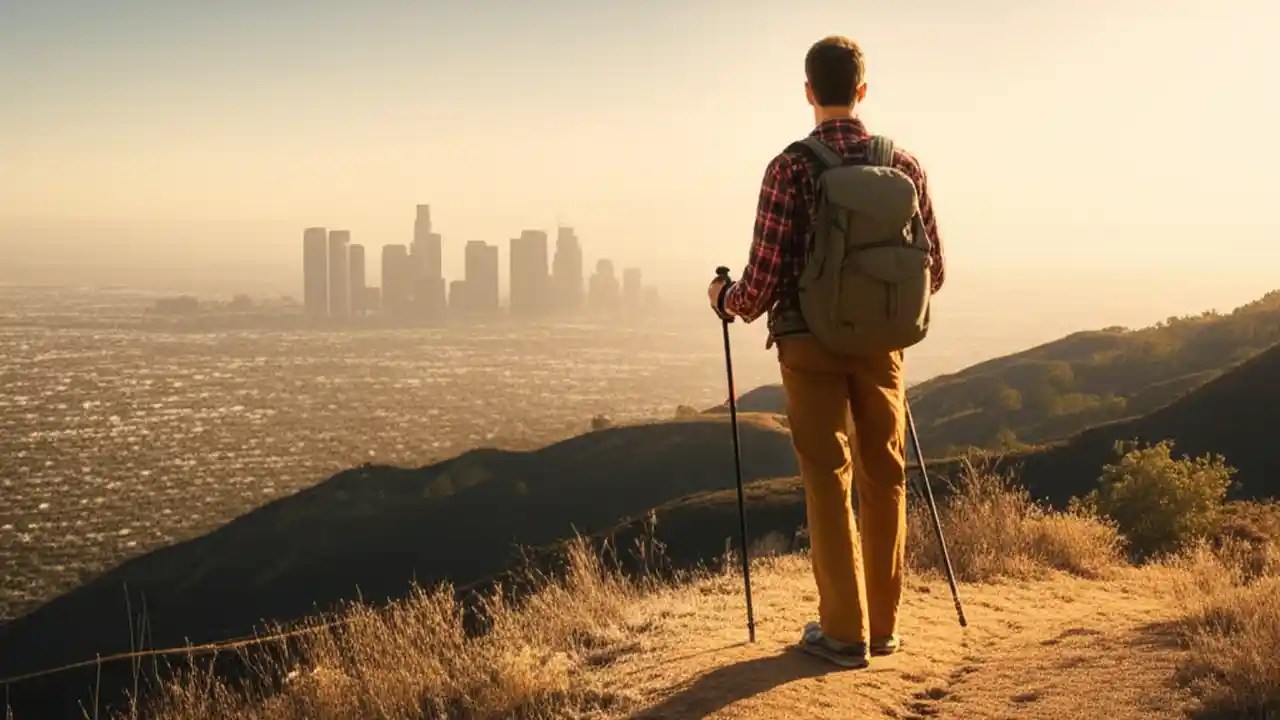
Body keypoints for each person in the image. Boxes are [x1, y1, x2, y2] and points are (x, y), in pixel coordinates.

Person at [707, 35, 945, 668]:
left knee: (826, 478)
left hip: (809, 344)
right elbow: (935, 270)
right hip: (882, 347)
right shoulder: (905, 167)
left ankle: (843, 631)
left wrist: (722, 296)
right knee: (885, 475)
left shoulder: (789, 168)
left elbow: (759, 288)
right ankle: (885, 627)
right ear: (862, 91)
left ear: (809, 92)